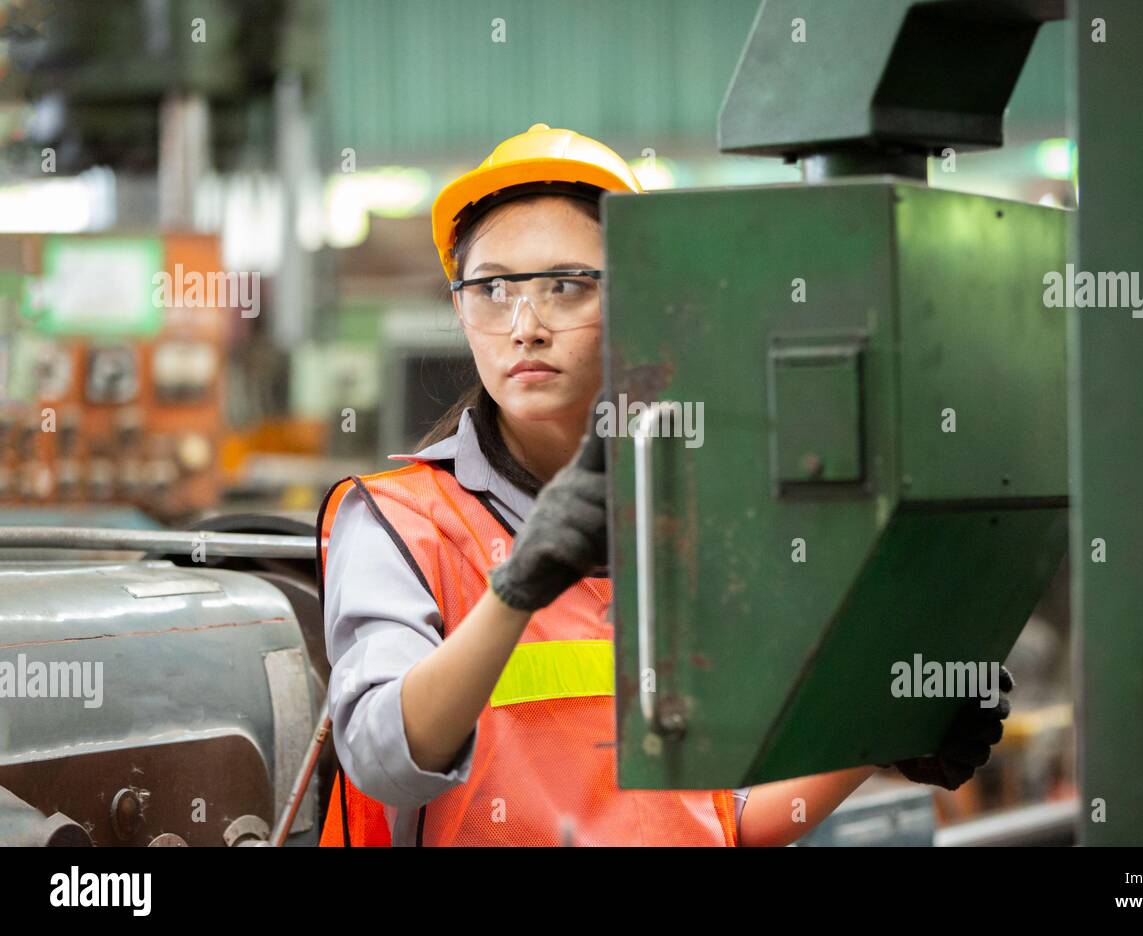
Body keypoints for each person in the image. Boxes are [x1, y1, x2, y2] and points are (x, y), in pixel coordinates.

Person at [317, 123, 1012, 846]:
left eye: (565, 286)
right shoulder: (402, 523)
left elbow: (724, 817)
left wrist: (891, 730)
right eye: (493, 288)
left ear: (640, 301)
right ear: (460, 308)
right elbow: (380, 757)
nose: (524, 326)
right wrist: (513, 591)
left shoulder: (695, 518)